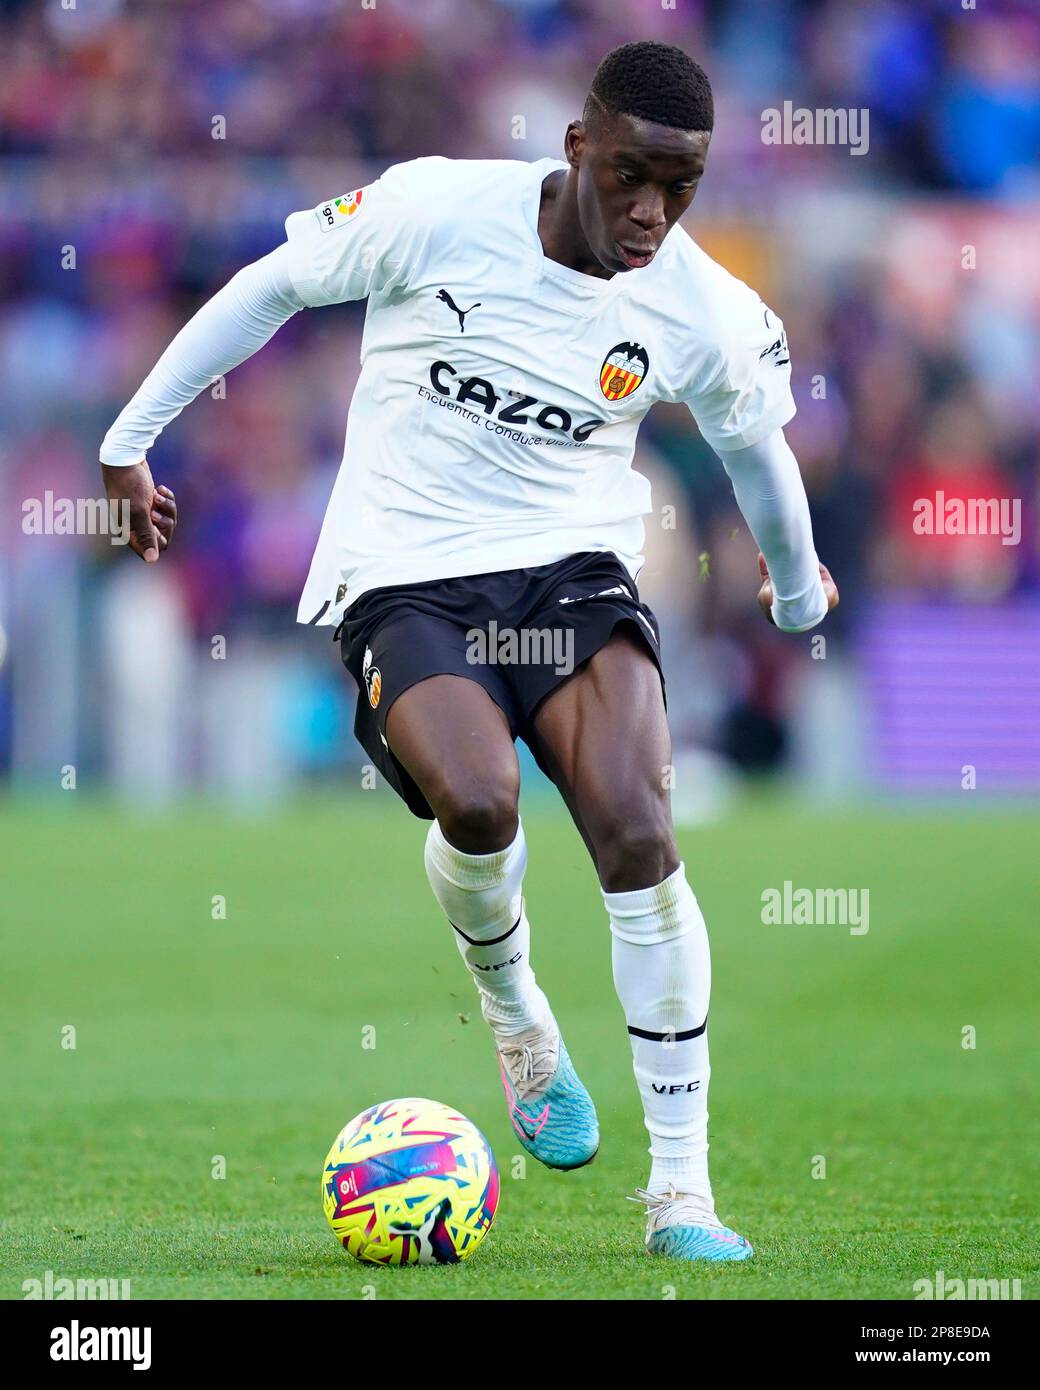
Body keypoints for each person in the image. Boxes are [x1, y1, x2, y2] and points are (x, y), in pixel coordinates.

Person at [100, 40, 838, 1263]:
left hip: (569, 571)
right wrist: (133, 437)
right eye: (631, 178)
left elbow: (754, 447)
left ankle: (681, 1195)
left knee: (637, 828)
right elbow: (268, 289)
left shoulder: (700, 307)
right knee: (482, 800)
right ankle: (514, 1013)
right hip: (403, 572)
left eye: (680, 188)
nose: (651, 212)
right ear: (576, 149)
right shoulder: (434, 208)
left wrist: (798, 584)